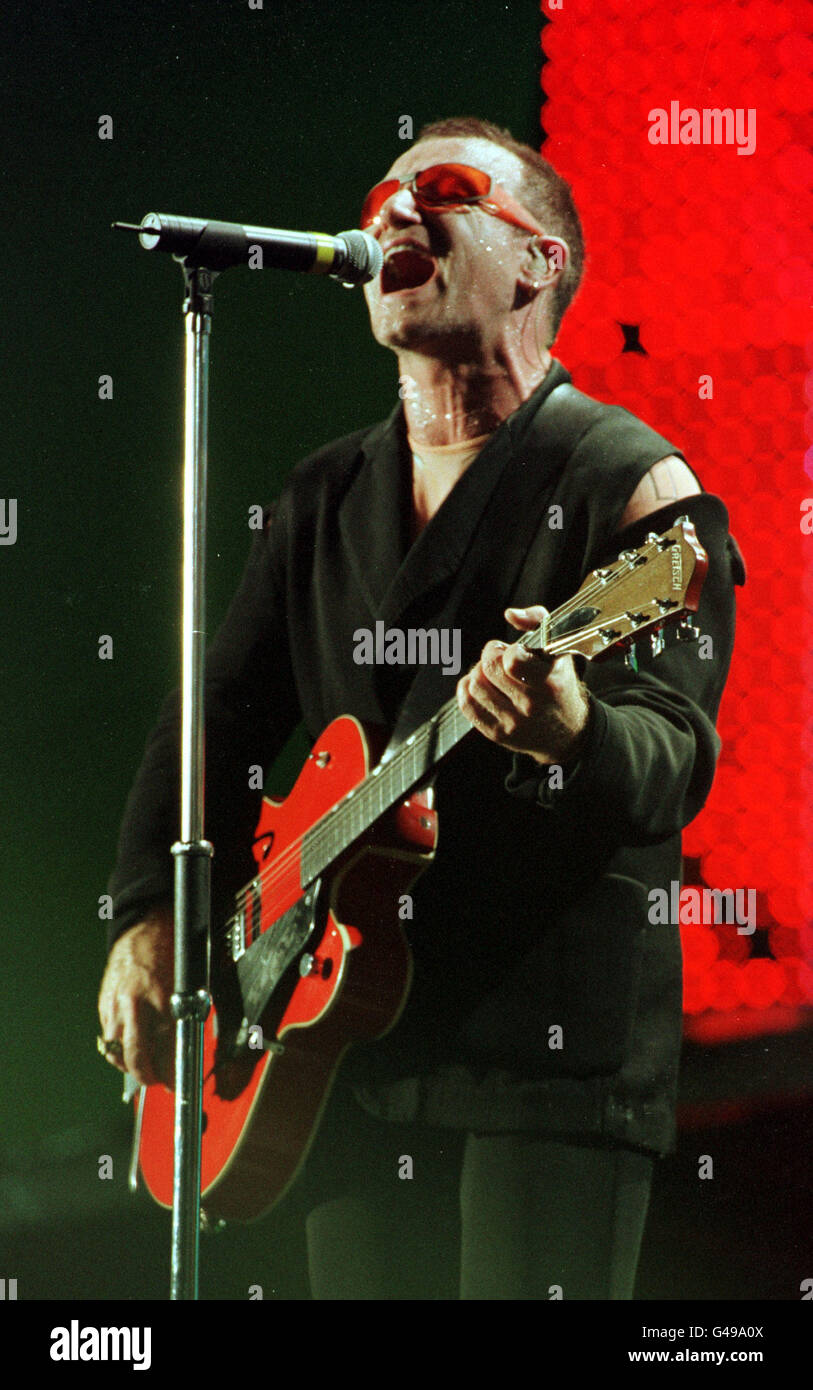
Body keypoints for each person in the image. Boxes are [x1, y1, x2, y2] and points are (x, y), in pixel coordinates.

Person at [98, 116, 744, 1299]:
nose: (391, 209)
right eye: (379, 192)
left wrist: (574, 730)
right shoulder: (323, 493)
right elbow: (215, 719)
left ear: (538, 264)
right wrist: (147, 910)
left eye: (438, 191)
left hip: (546, 1064)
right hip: (338, 1051)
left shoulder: (635, 487)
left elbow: (676, 755)